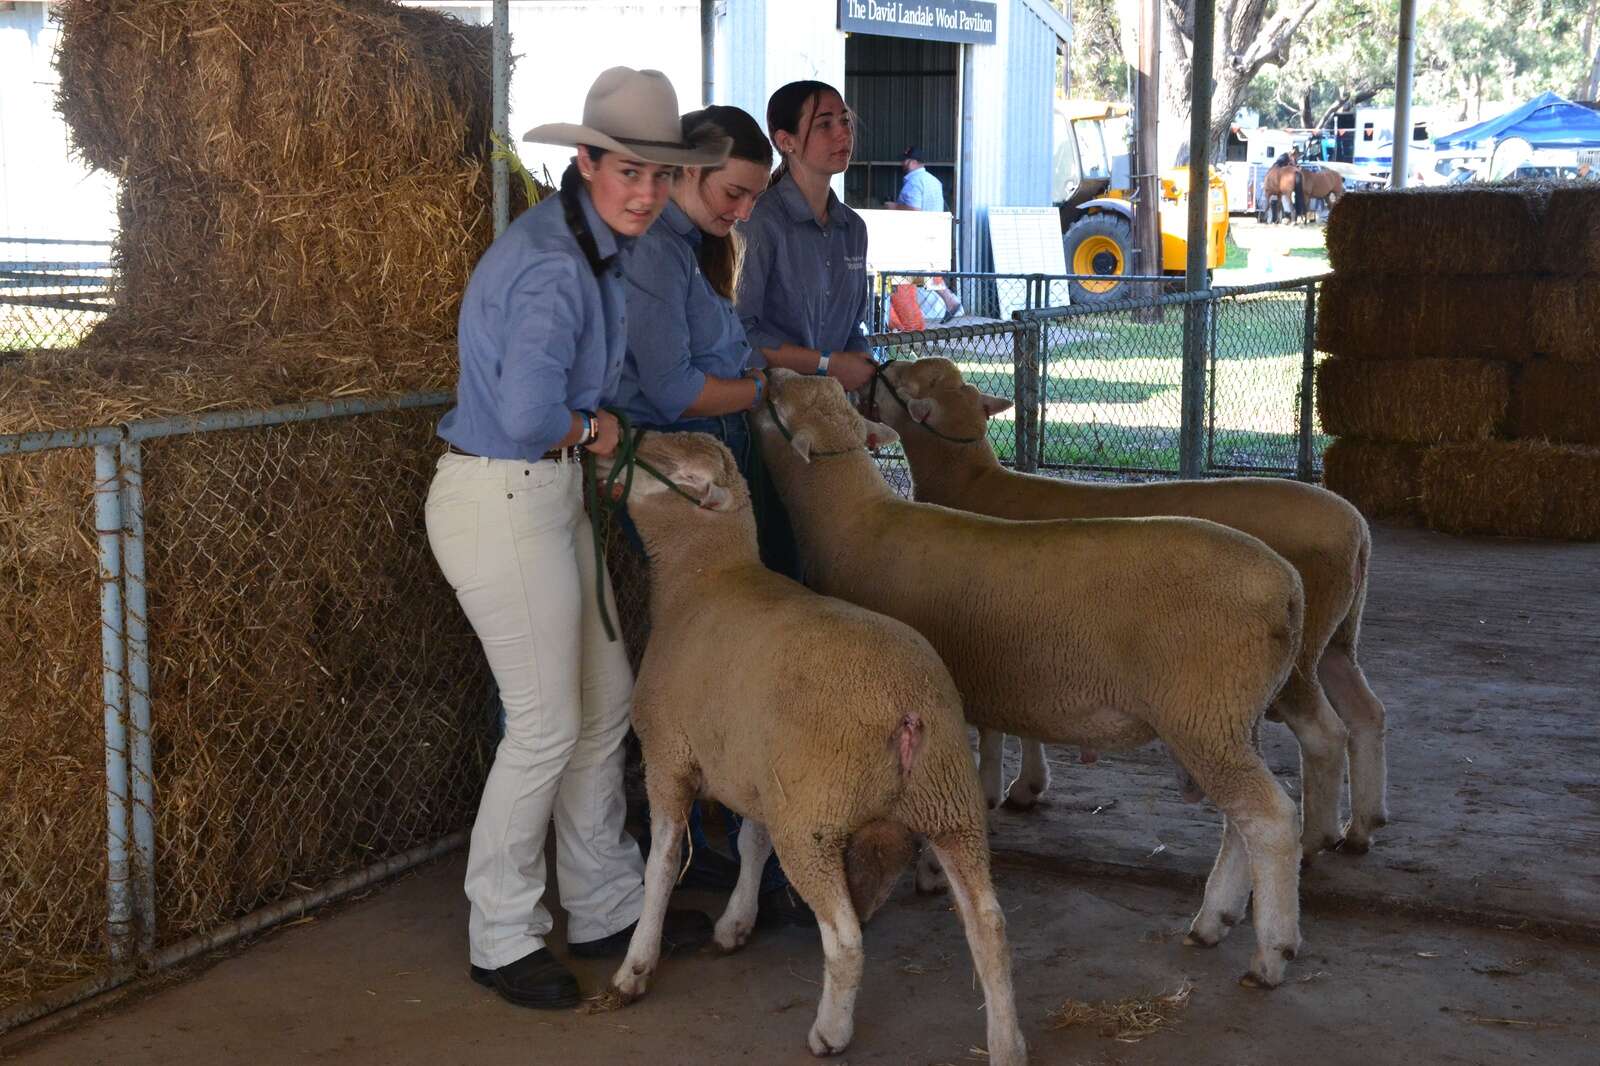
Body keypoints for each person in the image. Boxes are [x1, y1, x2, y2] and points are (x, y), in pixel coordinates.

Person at [424, 66, 726, 1011]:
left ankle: (604, 905)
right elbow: (527, 413)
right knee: (548, 724)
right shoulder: (556, 264)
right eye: (629, 171)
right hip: (503, 494)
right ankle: (502, 933)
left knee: (603, 709)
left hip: (544, 496)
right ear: (588, 162)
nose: (646, 192)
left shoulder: (592, 248)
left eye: (660, 175)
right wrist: (595, 430)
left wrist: (589, 439)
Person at [613, 103, 811, 925]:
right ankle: (699, 832)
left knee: (731, 633)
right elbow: (672, 389)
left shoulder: (684, 249)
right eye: (733, 192)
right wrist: (760, 391)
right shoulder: (653, 255)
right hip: (685, 463)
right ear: (687, 172)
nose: (743, 210)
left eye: (753, 196)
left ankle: (733, 829)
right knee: (703, 645)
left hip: (715, 450)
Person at [737, 80, 877, 393]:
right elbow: (741, 333)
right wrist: (827, 364)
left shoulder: (854, 228)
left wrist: (864, 365)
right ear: (786, 141)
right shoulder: (759, 222)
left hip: (835, 403)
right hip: (774, 405)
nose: (843, 134)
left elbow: (853, 328)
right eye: (824, 125)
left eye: (845, 121)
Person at [883, 144, 961, 323]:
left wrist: (893, 206)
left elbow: (914, 209)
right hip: (932, 235)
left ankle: (900, 319)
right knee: (925, 273)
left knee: (903, 276)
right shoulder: (934, 181)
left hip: (915, 236)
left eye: (905, 160)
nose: (902, 164)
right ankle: (950, 301)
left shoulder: (914, 182)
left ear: (912, 162)